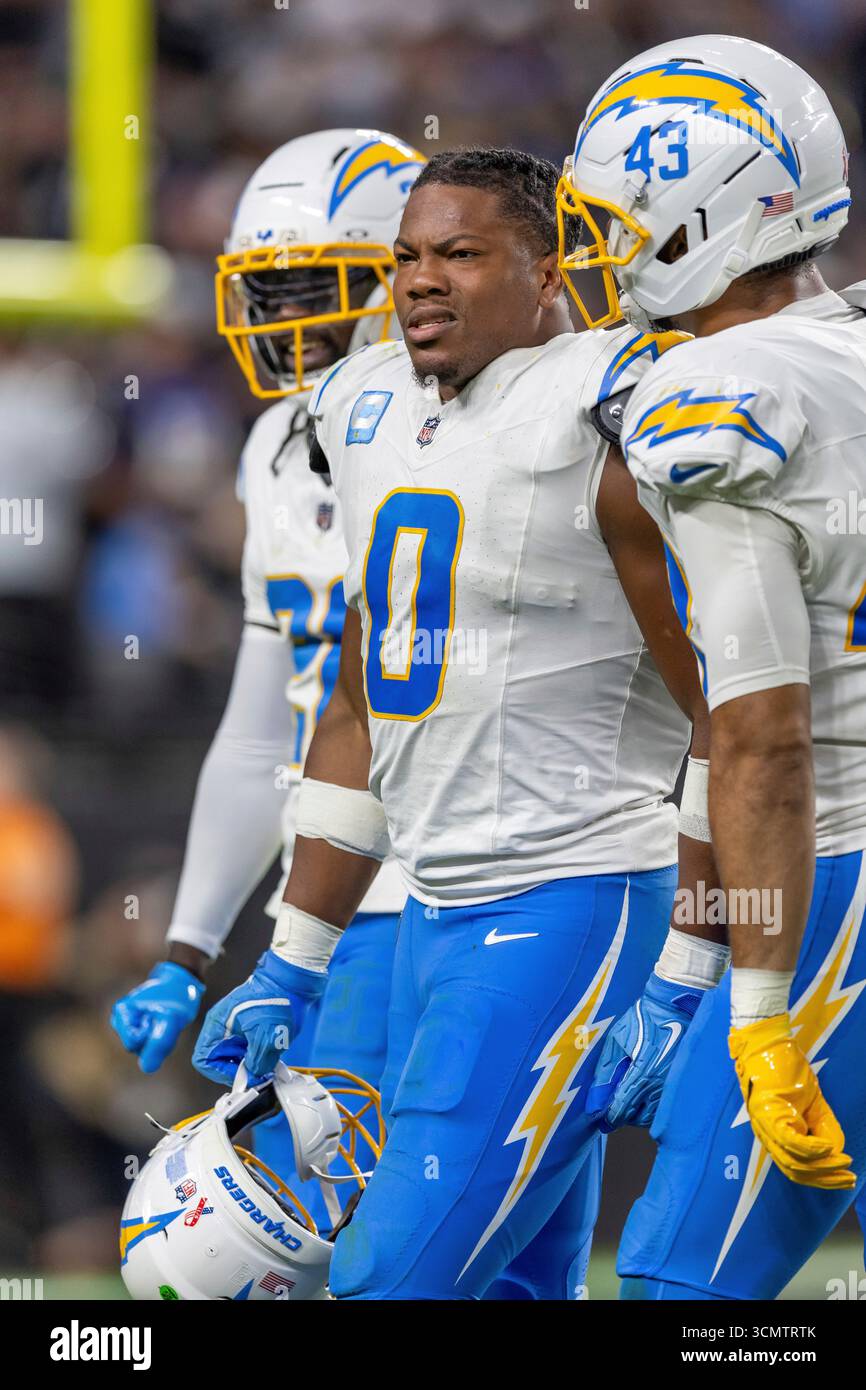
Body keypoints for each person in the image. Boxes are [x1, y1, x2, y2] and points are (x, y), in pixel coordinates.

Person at [194, 146, 724, 1300]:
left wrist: (689, 958)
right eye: (406, 257)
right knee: (512, 1290)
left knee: (388, 1279)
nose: (420, 281)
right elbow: (355, 702)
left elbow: (729, 711)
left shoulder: (611, 404)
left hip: (573, 896)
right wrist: (291, 956)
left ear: (546, 273)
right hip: (431, 903)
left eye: (461, 254)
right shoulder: (360, 405)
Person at [561, 33, 866, 1299]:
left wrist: (745, 1002)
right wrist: (686, 964)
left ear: (704, 216)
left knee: (685, 1285)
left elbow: (757, 735)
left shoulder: (716, 397)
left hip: (831, 870)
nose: (595, 254)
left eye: (614, 219)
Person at [111, 128, 422, 1219]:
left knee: (316, 1240)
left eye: (317, 292)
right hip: (324, 898)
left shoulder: (462, 435)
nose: (289, 324)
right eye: (270, 292)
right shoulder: (274, 448)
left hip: (448, 881)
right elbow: (259, 732)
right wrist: (188, 948)